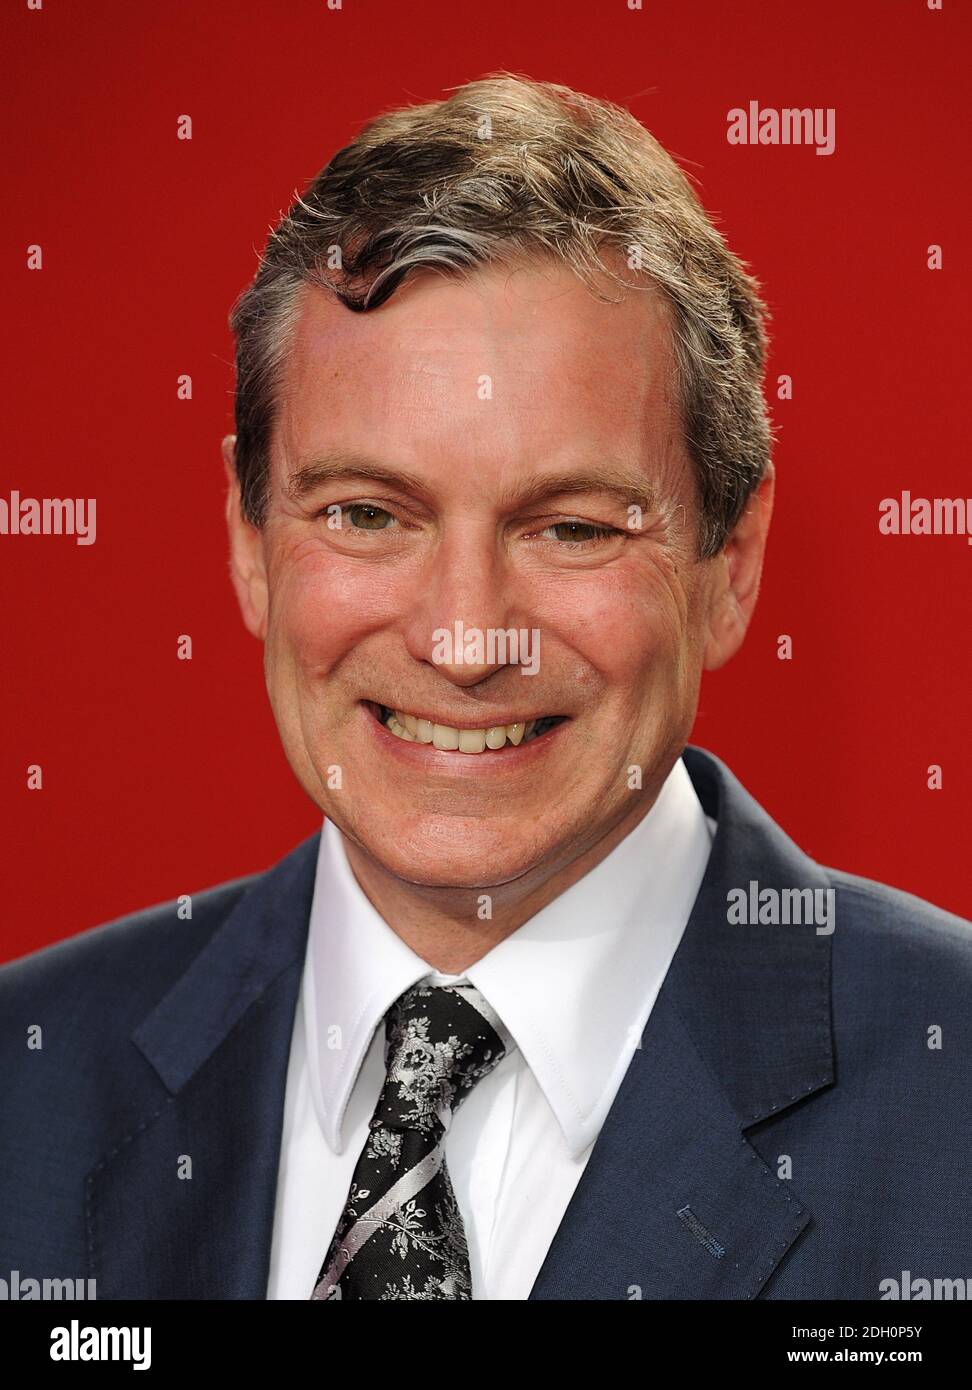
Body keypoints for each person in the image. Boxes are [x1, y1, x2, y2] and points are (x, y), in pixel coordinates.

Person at [2, 72, 971, 1302]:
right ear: (249, 541)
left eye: (569, 528)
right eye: (366, 514)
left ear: (731, 563)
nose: (465, 640)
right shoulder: (23, 1091)